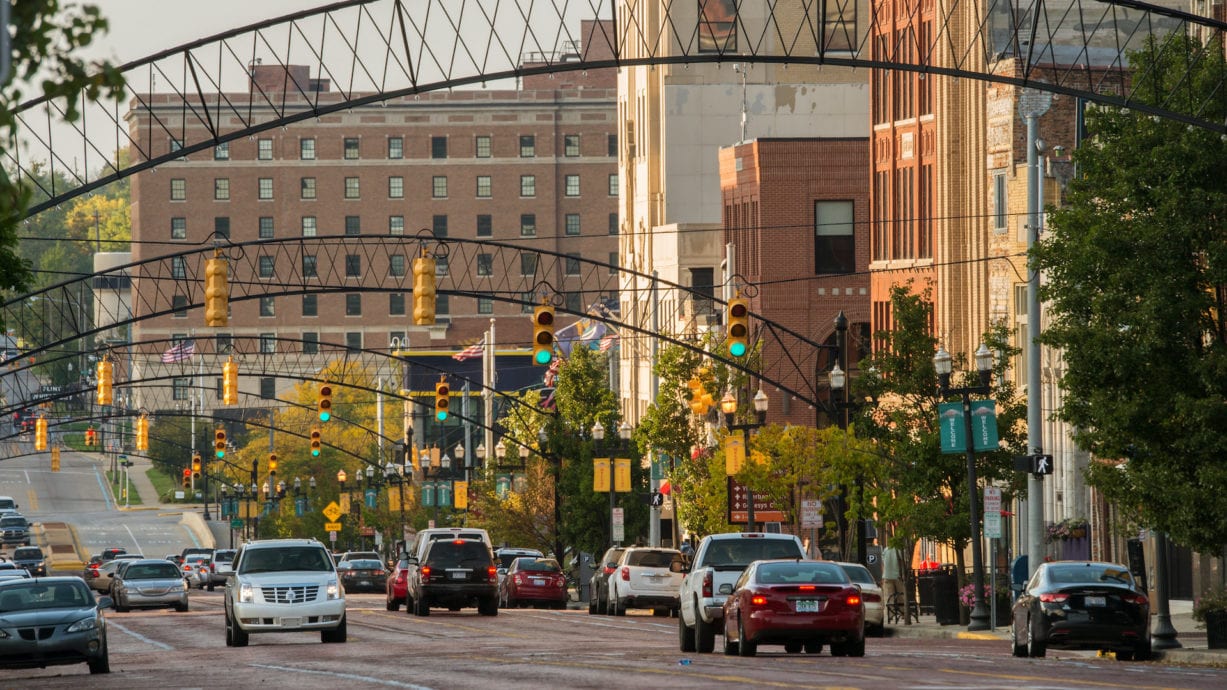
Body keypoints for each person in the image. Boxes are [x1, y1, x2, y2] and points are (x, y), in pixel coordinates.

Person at [881, 543, 906, 617]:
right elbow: (903, 561)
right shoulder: (900, 550)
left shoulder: (886, 550)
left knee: (889, 596)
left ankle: (890, 614)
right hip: (898, 576)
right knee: (901, 595)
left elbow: (882, 563)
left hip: (887, 575)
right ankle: (903, 613)